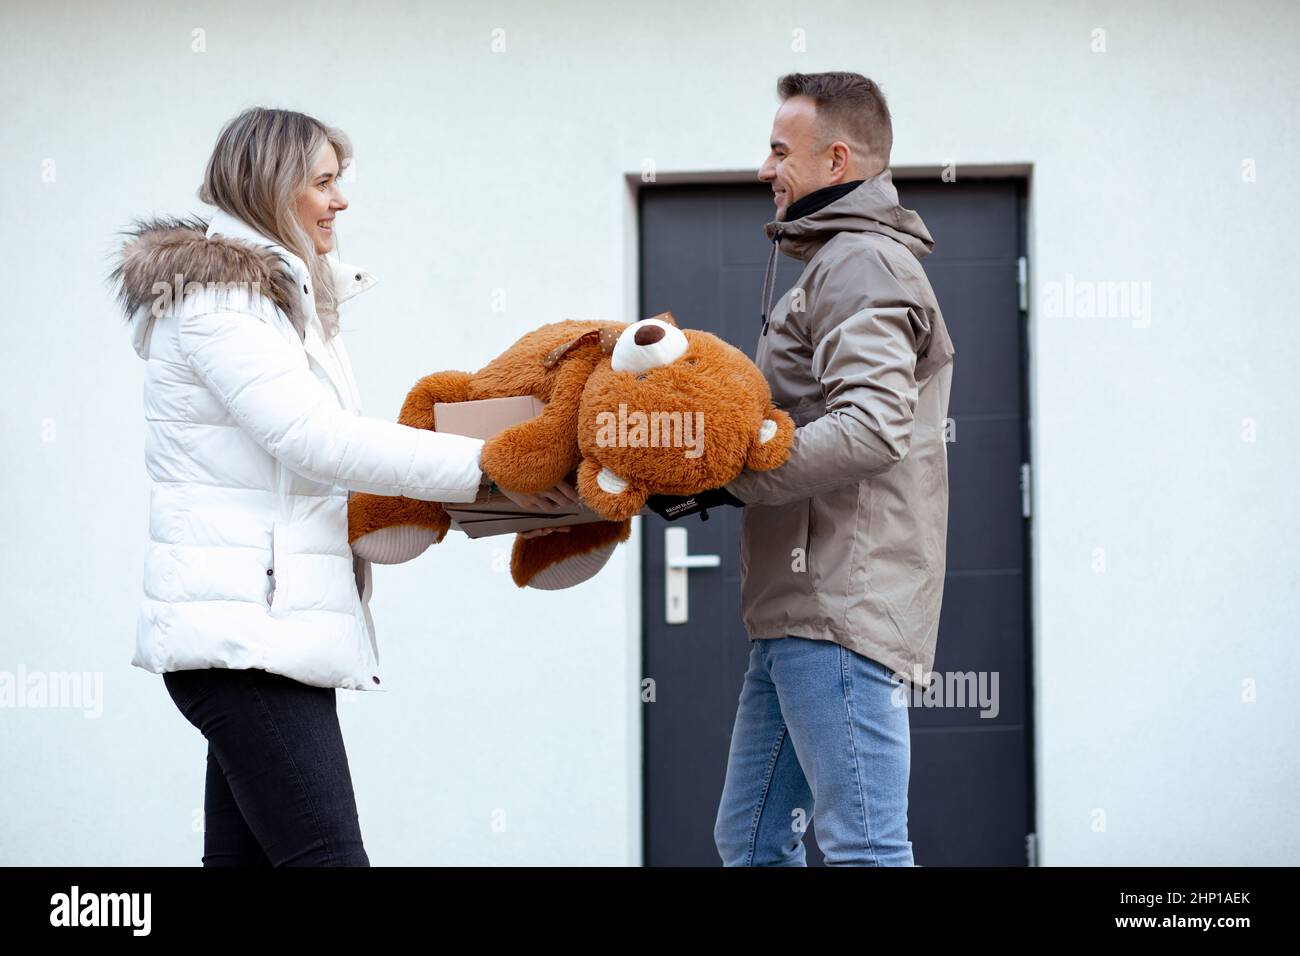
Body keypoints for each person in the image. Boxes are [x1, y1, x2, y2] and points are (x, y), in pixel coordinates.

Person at [110, 107, 575, 866]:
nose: (341, 200)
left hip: (266, 635)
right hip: (247, 643)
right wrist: (494, 467)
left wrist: (477, 499)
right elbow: (316, 441)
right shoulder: (223, 304)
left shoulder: (280, 304)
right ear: (272, 188)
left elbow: (313, 470)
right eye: (324, 182)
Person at [696, 72, 956, 865]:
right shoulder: (832, 262)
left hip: (839, 606)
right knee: (748, 841)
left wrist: (730, 476)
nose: (765, 167)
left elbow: (873, 426)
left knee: (865, 848)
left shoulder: (862, 264)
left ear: (836, 159)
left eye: (780, 151)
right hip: (795, 612)